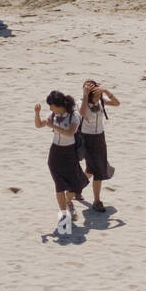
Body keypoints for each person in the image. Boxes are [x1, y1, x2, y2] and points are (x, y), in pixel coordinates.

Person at [34, 90, 88, 220]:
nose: (50, 108)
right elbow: (39, 125)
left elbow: (70, 133)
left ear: (58, 105)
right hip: (55, 153)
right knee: (59, 185)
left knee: (73, 186)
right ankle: (64, 214)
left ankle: (69, 202)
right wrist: (37, 114)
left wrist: (53, 126)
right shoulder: (52, 114)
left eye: (51, 105)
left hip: (70, 152)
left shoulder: (74, 115)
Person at [79, 80, 119, 212]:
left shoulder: (102, 100)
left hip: (100, 137)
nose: (98, 93)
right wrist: (85, 95)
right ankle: (96, 201)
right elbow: (82, 113)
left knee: (93, 169)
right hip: (87, 138)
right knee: (95, 169)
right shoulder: (81, 102)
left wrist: (106, 91)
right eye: (94, 91)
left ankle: (75, 188)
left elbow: (117, 103)